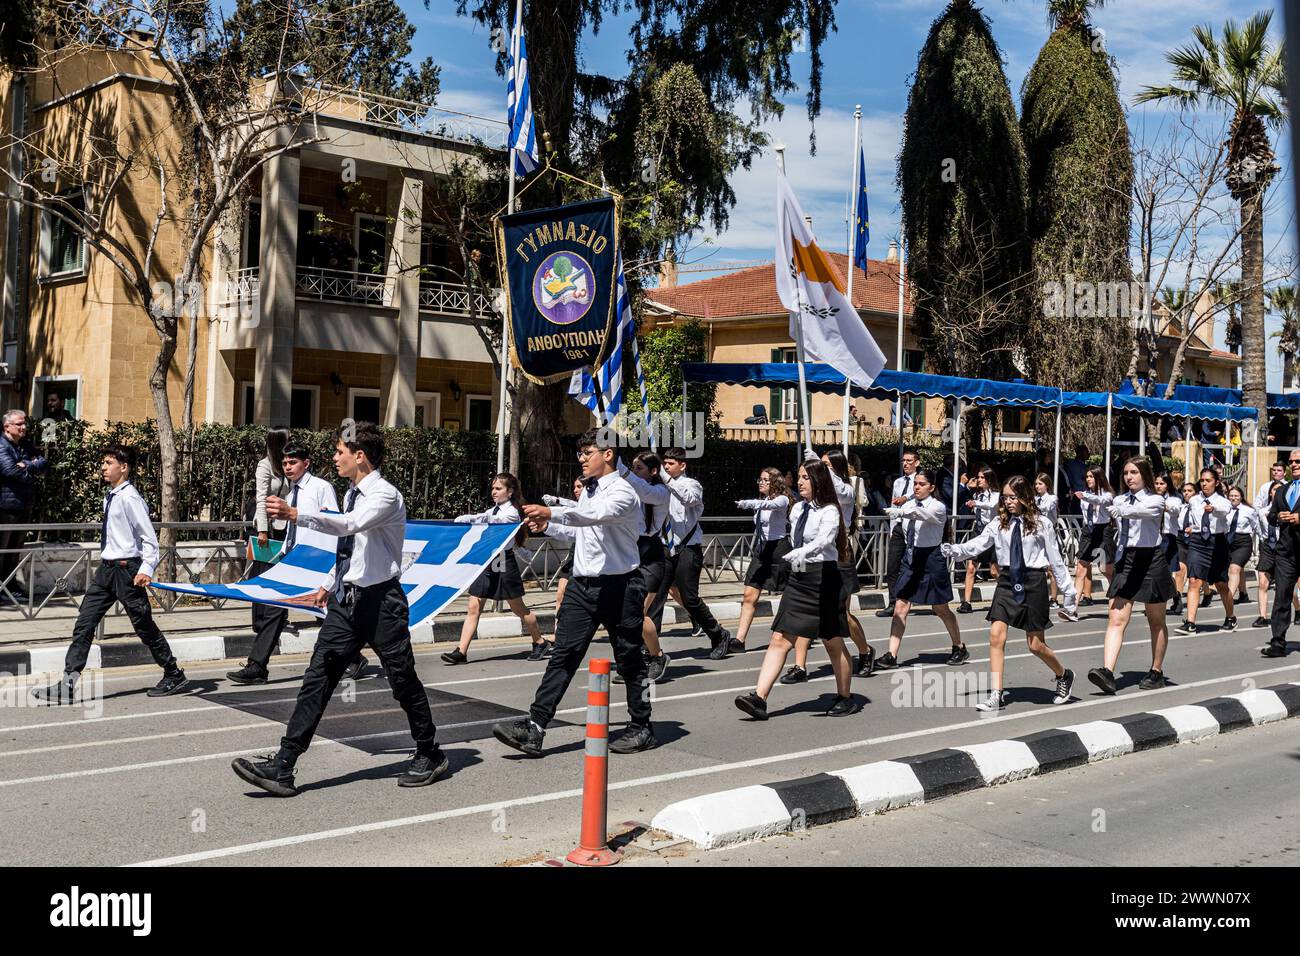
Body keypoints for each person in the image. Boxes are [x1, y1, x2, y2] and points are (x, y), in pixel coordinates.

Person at [232, 423, 447, 796]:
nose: (335, 458)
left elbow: (350, 526)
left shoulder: (384, 495)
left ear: (359, 455)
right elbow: (351, 548)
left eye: (339, 452)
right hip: (346, 602)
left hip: (382, 603)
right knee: (318, 677)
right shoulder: (351, 493)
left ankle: (429, 751)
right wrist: (329, 583)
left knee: (402, 681)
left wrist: (297, 515)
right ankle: (284, 765)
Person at [493, 430, 655, 757]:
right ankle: (535, 728)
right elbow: (580, 529)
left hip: (620, 587)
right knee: (563, 654)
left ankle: (642, 725)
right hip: (582, 587)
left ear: (608, 454)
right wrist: (547, 526)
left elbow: (596, 516)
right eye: (580, 453)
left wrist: (552, 512)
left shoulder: (623, 492)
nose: (581, 458)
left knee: (630, 661)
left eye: (587, 452)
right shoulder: (589, 491)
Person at [32, 445, 188, 703]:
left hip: (127, 571)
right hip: (106, 570)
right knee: (84, 623)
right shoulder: (112, 496)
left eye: (108, 463)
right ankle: (68, 685)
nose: (103, 467)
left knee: (143, 625)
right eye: (103, 463)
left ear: (123, 467)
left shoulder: (130, 498)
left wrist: (146, 569)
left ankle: (173, 673)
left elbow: (149, 538)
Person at [733, 459, 858, 719]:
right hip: (799, 578)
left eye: (805, 478)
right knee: (780, 638)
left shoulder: (830, 511)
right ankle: (759, 698)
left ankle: (845, 697)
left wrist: (802, 551)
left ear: (819, 481)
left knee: (831, 641)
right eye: (799, 477)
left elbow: (825, 540)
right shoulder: (797, 509)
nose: (799, 482)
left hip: (823, 578)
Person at [942, 476, 1077, 711]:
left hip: (1032, 582)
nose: (1008, 502)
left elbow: (1055, 560)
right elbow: (979, 543)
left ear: (1025, 497)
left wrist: (1069, 593)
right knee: (996, 636)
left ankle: (1063, 675)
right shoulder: (999, 522)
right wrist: (955, 550)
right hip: (1006, 581)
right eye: (1005, 497)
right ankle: (996, 694)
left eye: (1013, 497)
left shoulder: (1042, 523)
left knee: (1035, 645)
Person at [226, 443, 340, 684]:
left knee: (326, 611)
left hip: (315, 561)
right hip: (291, 560)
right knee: (274, 608)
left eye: (293, 463)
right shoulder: (290, 492)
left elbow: (334, 523)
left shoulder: (321, 488)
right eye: (285, 463)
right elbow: (292, 527)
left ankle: (353, 658)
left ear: (306, 463)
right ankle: (257, 666)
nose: (288, 467)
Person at [1086, 457, 1177, 694]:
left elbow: (1142, 512)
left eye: (1134, 472)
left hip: (1150, 560)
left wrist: (1123, 510)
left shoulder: (1155, 499)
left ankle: (1156, 671)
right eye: (1126, 472)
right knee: (1116, 617)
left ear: (1144, 474)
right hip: (1126, 560)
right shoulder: (1119, 499)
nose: (1129, 477)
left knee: (1155, 620)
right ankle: (1107, 671)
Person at [784, 451, 875, 682]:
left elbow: (830, 483)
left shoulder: (846, 488)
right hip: (812, 558)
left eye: (825, 465)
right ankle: (800, 665)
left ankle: (865, 651)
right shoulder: (811, 497)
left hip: (838, 554)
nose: (820, 469)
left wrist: (820, 469)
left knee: (841, 613)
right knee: (805, 613)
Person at [441, 473, 546, 665]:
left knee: (518, 608)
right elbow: (486, 516)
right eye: (493, 488)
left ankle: (539, 641)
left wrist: (476, 520)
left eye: (498, 488)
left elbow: (493, 523)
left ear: (510, 491)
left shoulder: (511, 513)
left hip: (504, 562)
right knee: (474, 606)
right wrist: (468, 518)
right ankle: (461, 651)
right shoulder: (495, 510)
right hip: (488, 561)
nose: (494, 492)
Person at [875, 469, 966, 669]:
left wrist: (901, 511)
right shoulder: (909, 504)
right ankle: (891, 654)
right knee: (901, 606)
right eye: (915, 483)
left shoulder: (938, 507)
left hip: (931, 559)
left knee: (940, 609)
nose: (917, 487)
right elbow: (907, 523)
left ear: (931, 487)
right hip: (912, 558)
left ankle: (959, 646)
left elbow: (921, 514)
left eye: (922, 484)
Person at [659, 448, 731, 659]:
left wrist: (666, 481)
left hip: (687, 548)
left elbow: (688, 499)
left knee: (689, 599)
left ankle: (718, 634)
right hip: (665, 547)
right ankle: (650, 650)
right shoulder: (661, 487)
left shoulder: (691, 485)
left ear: (682, 465)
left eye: (670, 464)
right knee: (656, 597)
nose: (666, 467)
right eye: (664, 463)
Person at [617, 451, 673, 682]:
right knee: (626, 614)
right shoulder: (630, 491)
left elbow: (644, 490)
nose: (635, 473)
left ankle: (657, 656)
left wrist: (619, 465)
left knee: (638, 612)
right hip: (630, 552)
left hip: (651, 555)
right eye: (633, 467)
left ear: (653, 472)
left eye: (639, 468)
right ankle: (635, 661)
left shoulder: (660, 492)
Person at [732, 468, 791, 651]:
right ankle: (739, 640)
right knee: (749, 594)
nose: (761, 482)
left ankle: (796, 630)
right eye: (760, 479)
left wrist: (747, 503)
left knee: (788, 594)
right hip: (762, 551)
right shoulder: (763, 501)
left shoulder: (782, 499)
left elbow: (770, 507)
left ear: (775, 482)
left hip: (779, 550)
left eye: (766, 480)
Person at [1176, 467, 1235, 635]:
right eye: (1202, 480)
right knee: (1194, 580)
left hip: (1217, 543)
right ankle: (1190, 622)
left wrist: (1214, 509)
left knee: (1221, 584)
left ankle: (1231, 617)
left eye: (1208, 481)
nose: (1204, 484)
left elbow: (1227, 509)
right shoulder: (1194, 500)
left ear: (1216, 483)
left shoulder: (1221, 500)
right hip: (1198, 542)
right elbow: (1195, 518)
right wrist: (1191, 528)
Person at [0, 409, 48, 603]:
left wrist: (26, 465)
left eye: (24, 423)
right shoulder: (2, 446)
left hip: (24, 505)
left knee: (14, 550)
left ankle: (10, 585)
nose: (23, 427)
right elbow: (10, 470)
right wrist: (31, 468)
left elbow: (44, 463)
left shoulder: (25, 445)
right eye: (19, 424)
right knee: (2, 550)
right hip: (5, 507)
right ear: (7, 426)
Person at [1263, 450, 1300, 658]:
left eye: (1298, 461)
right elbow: (1271, 516)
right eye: (1291, 462)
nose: (1294, 464)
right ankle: (1277, 642)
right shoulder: (1282, 490)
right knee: (1282, 595)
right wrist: (1279, 517)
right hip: (1286, 551)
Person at [876, 448, 920, 618]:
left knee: (917, 565)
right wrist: (892, 527)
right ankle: (893, 602)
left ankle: (932, 599)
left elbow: (919, 498)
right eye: (904, 461)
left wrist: (907, 498)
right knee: (892, 566)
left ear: (917, 462)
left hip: (914, 527)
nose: (906, 464)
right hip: (899, 528)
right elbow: (894, 506)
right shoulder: (898, 482)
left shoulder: (921, 481)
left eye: (909, 461)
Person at [957, 466, 1000, 614]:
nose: (979, 480)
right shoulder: (977, 495)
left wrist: (977, 503)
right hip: (979, 532)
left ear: (989, 479)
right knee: (971, 568)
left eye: (982, 478)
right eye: (978, 477)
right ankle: (966, 602)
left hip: (992, 534)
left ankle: (1006, 596)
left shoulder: (996, 495)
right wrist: (968, 489)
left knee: (994, 571)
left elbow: (991, 505)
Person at [1073, 466, 1115, 606]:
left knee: (1106, 570)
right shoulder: (1084, 495)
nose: (1088, 479)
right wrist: (1084, 496)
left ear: (1099, 478)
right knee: (1081, 568)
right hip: (1088, 531)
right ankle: (1072, 608)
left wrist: (1085, 496)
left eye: (1091, 476)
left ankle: (1116, 598)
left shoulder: (1107, 494)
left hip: (1102, 531)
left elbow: (1100, 501)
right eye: (1087, 477)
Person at [543, 477, 585, 615]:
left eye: (579, 487)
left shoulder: (592, 509)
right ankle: (558, 632)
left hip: (590, 556)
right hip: (575, 553)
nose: (576, 490)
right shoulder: (580, 505)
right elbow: (572, 506)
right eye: (575, 487)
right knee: (561, 592)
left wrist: (548, 523)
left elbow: (572, 532)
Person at [1253, 474, 1285, 630]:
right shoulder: (1262, 512)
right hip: (1267, 547)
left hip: (1283, 547)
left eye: (1280, 490)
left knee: (1285, 586)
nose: (1276, 492)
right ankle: (1262, 616)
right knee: (1263, 583)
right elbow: (1259, 530)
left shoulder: (1287, 512)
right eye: (1274, 490)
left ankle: (1297, 610)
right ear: (1270, 493)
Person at [1152, 474, 1185, 617]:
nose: (1158, 486)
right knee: (1158, 571)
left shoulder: (1174, 498)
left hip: (1167, 537)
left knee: (1164, 570)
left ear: (1168, 485)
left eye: (1162, 483)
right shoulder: (1151, 498)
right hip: (1153, 537)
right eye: (1157, 483)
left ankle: (1170, 598)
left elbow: (1176, 509)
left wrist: (1164, 507)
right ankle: (1173, 597)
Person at [1224, 486, 1260, 611]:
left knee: (1234, 568)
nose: (1233, 498)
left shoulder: (1248, 510)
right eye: (1231, 495)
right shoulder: (1225, 509)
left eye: (1236, 495)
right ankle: (1243, 594)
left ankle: (1229, 596)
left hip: (1243, 542)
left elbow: (1257, 526)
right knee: (1239, 569)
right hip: (1228, 541)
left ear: (1241, 497)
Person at [1034, 472, 1061, 607]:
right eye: (1036, 484)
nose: (1037, 486)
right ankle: (1040, 597)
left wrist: (1032, 507)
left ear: (1047, 485)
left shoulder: (1052, 498)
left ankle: (1054, 598)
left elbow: (1046, 508)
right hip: (1037, 535)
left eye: (1040, 484)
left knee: (1052, 568)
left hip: (1049, 536)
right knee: (1038, 568)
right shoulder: (1034, 499)